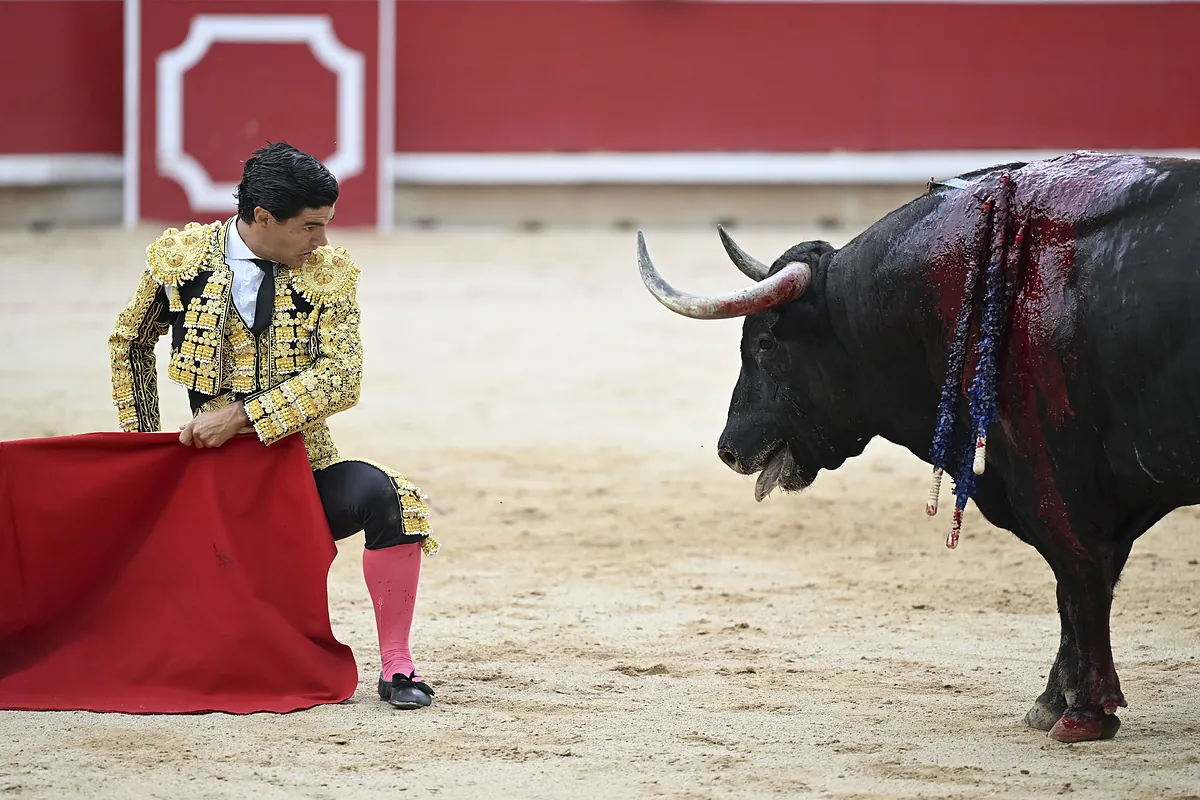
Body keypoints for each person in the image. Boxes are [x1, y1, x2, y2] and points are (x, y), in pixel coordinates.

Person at [107, 141, 439, 710]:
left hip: (300, 471)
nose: (323, 242)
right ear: (263, 218)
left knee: (391, 499)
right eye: (310, 227)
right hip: (209, 482)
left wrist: (241, 416)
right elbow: (130, 343)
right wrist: (147, 450)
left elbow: (343, 377)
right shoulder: (182, 258)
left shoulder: (330, 273)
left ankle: (397, 667)